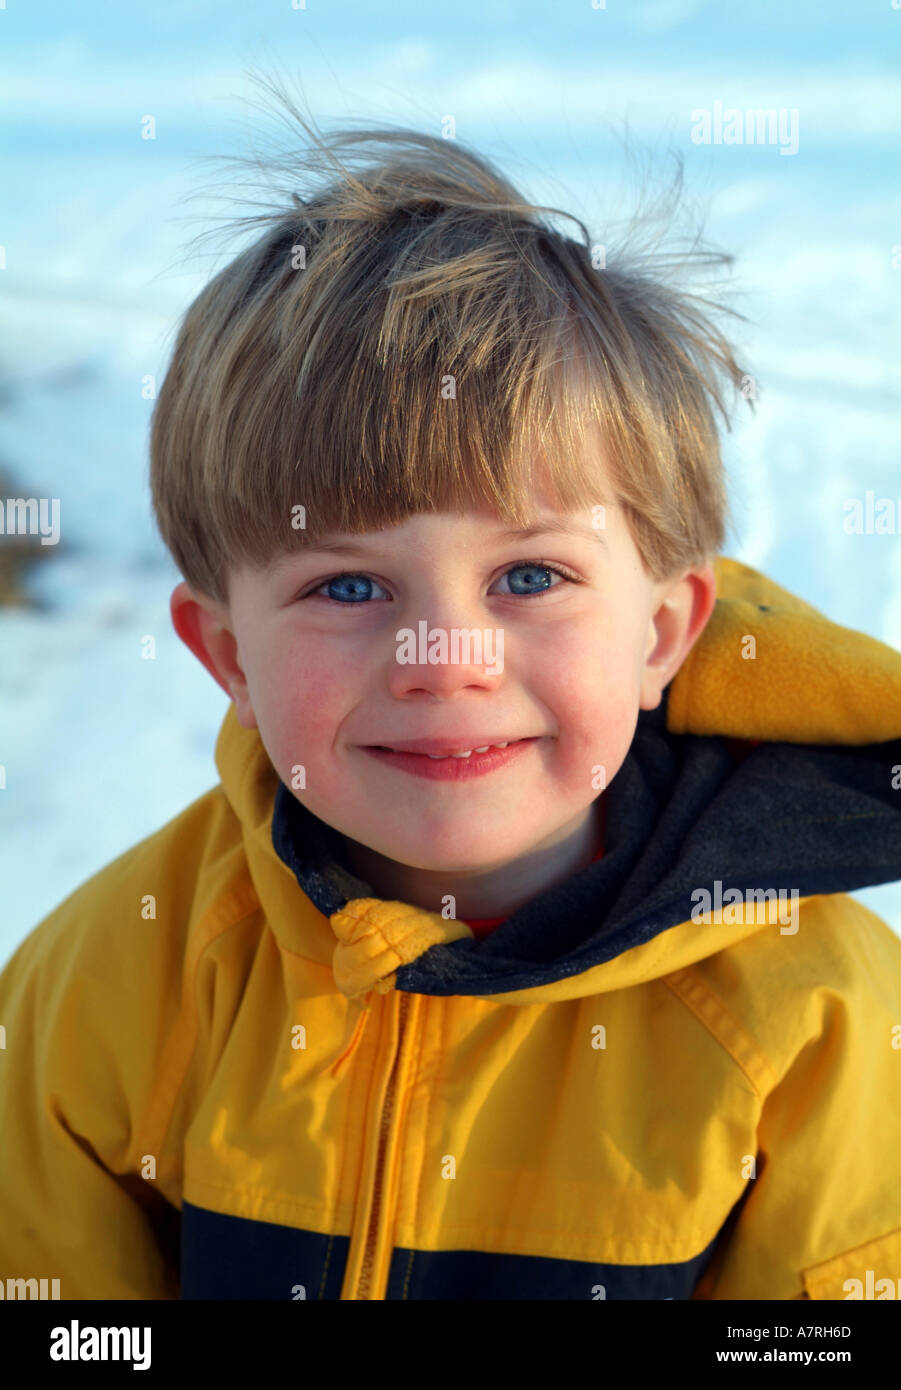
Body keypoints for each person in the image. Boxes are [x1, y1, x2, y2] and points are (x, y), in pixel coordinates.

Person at [2, 110, 900, 1302]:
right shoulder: (122, 976)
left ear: (662, 631)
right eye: (348, 584)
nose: (441, 655)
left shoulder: (816, 1017)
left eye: (529, 576)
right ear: (227, 653)